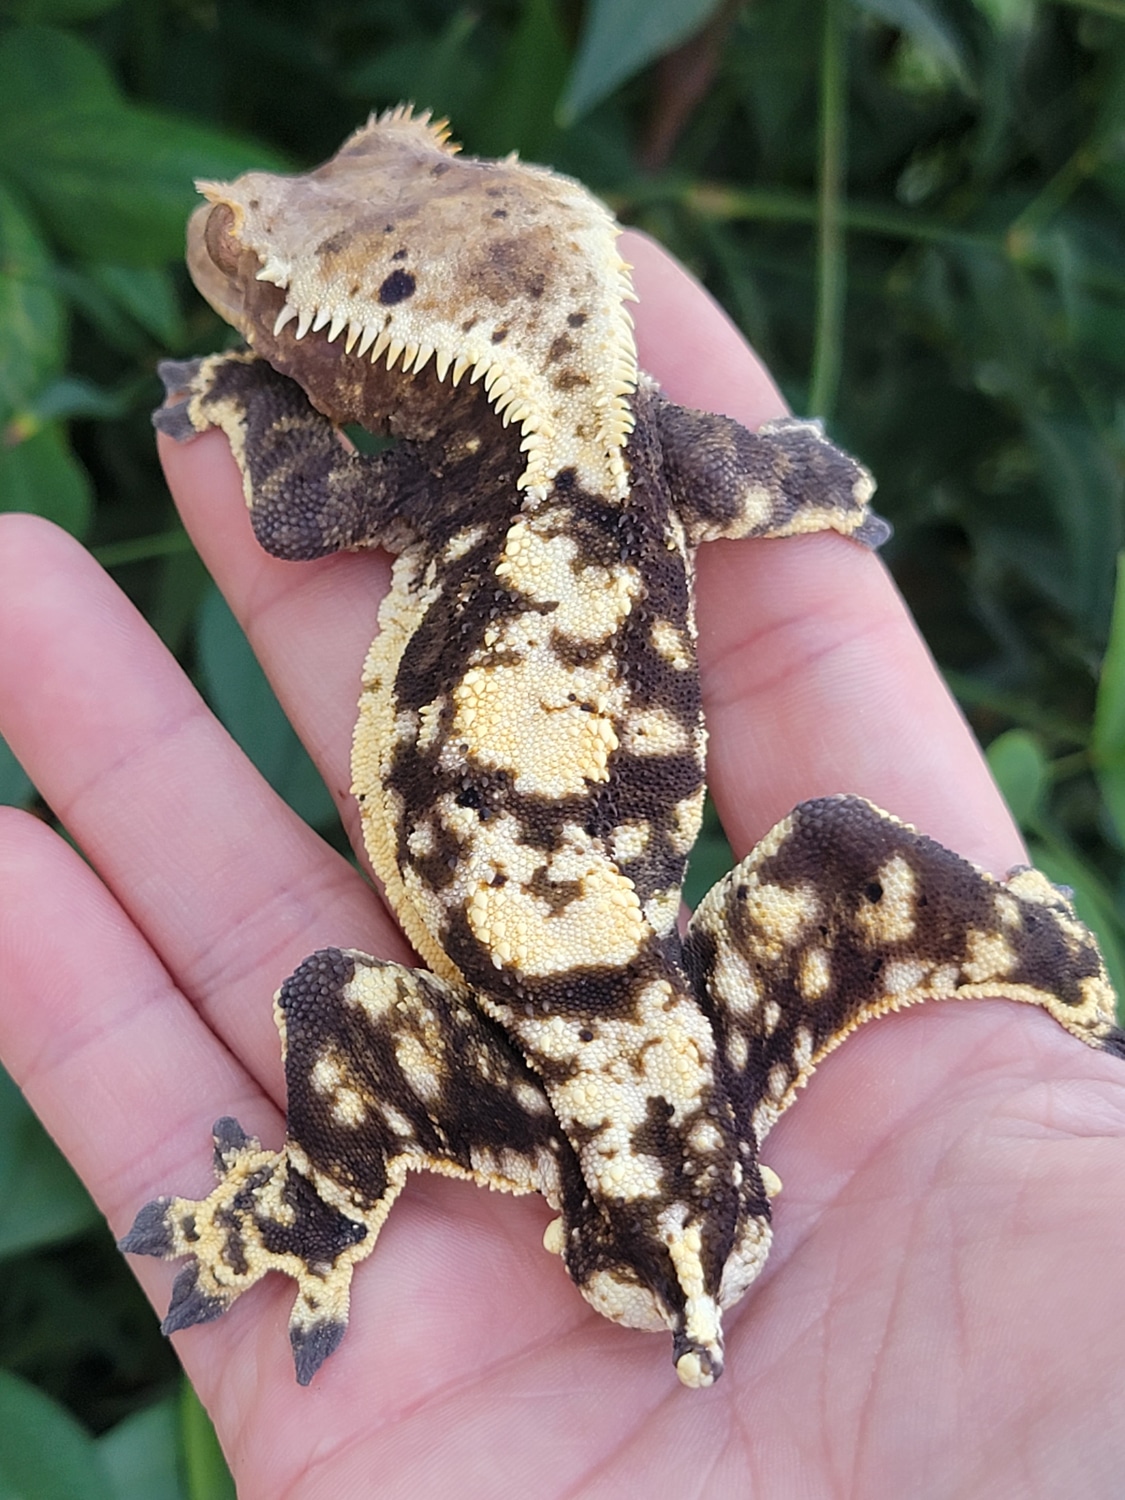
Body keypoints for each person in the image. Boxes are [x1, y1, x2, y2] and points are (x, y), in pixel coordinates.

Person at [0, 230, 1121, 1498]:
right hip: (625, 1013)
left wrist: (321, 1200)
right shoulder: (534, 1100)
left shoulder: (671, 1069)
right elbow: (341, 1007)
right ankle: (1031, 949)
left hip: (620, 975)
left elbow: (827, 861)